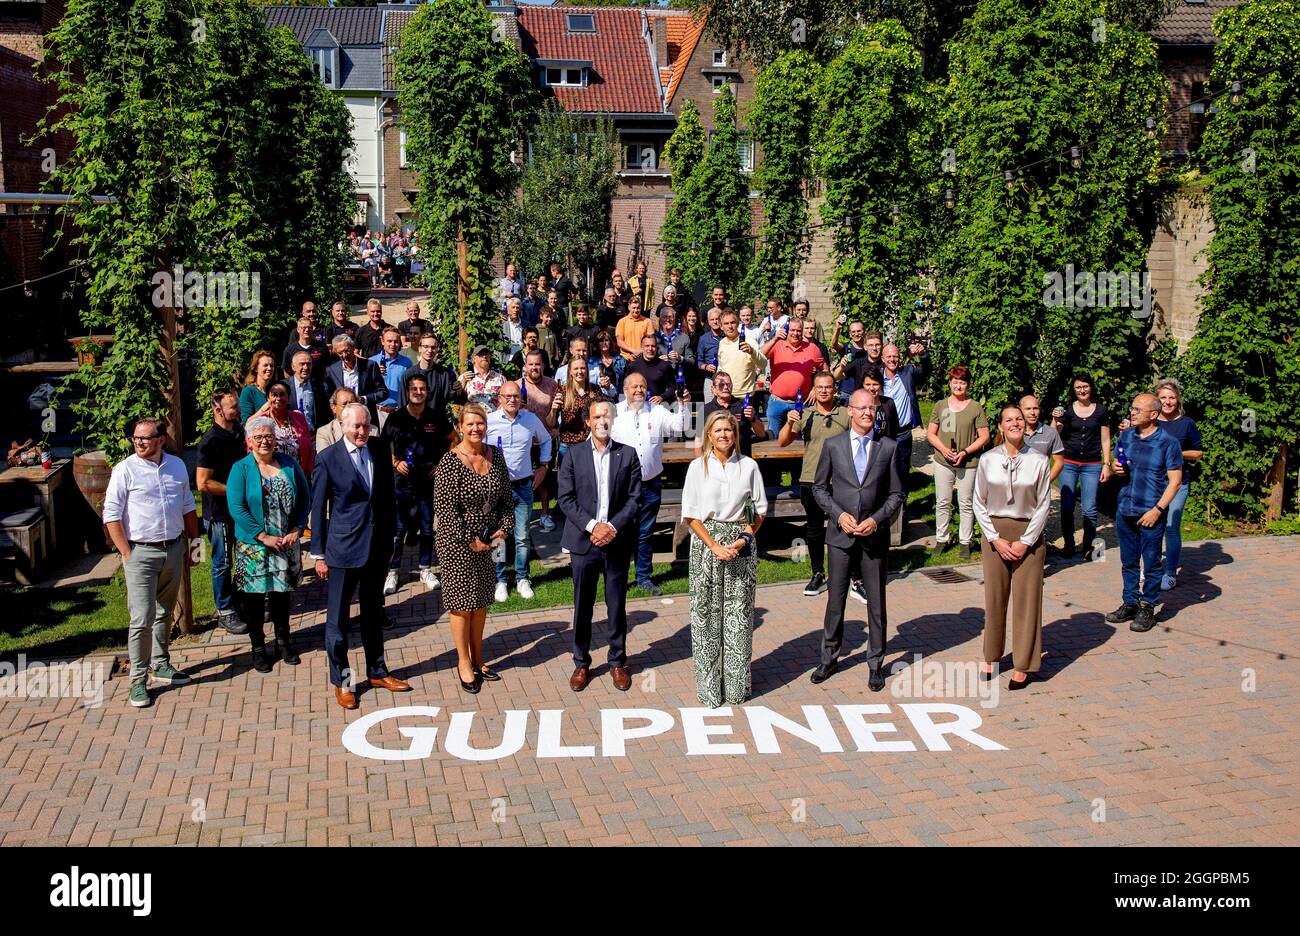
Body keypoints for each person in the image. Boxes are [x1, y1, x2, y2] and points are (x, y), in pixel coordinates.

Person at [309, 403, 413, 709]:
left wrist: (391, 537)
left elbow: (387, 497)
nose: (362, 432)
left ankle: (377, 670)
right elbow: (318, 509)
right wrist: (318, 553)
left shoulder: (379, 450)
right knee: (338, 621)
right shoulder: (327, 459)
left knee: (372, 614)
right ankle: (342, 682)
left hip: (377, 547)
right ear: (342, 425)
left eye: (366, 426)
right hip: (342, 550)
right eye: (356, 427)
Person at [102, 417, 200, 708]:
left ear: (161, 440)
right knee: (142, 617)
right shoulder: (125, 470)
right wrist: (127, 553)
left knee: (164, 612)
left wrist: (195, 548)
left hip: (173, 549)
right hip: (140, 553)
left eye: (145, 438)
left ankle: (161, 664)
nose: (139, 442)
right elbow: (111, 514)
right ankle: (137, 680)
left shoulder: (177, 466)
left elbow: (188, 507)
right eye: (136, 438)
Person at [811, 393, 902, 691]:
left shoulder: (888, 447)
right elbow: (820, 489)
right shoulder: (833, 445)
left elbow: (896, 495)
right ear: (850, 411)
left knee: (876, 604)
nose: (867, 412)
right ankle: (829, 658)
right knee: (835, 601)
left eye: (872, 408)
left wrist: (876, 520)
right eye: (862, 408)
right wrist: (838, 516)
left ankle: (876, 663)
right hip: (840, 536)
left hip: (873, 536)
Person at [682, 410, 767, 707]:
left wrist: (743, 539)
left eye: (728, 430)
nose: (723, 435)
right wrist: (715, 546)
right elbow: (691, 516)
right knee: (705, 616)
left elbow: (758, 512)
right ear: (708, 435)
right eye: (717, 430)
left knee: (739, 617)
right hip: (706, 543)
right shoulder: (697, 467)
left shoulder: (749, 467)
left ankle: (737, 687)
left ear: (735, 435)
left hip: (741, 544)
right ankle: (709, 689)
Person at [557, 399, 643, 692]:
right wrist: (594, 526)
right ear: (588, 422)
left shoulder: (628, 455)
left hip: (616, 542)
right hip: (584, 542)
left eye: (606, 415)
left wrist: (612, 527)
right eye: (596, 416)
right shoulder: (573, 455)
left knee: (616, 605)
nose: (602, 421)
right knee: (583, 606)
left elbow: (634, 499)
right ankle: (581, 663)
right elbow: (565, 499)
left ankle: (618, 661)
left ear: (613, 419)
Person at [435, 404, 515, 693]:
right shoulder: (450, 462)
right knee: (461, 606)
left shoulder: (497, 456)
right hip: (456, 543)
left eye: (480, 423)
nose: (475, 429)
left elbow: (507, 501)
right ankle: (463, 662)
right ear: (460, 427)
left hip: (489, 541)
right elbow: (445, 511)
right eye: (469, 424)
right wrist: (470, 539)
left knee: (481, 602)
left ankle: (479, 657)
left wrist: (504, 529)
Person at [973, 405, 1052, 690]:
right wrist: (994, 537)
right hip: (995, 534)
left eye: (1019, 418)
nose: (1015, 423)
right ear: (1000, 427)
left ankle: (1023, 664)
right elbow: (978, 502)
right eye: (1009, 420)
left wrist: (1026, 541)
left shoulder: (1039, 460)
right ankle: (991, 656)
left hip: (1028, 533)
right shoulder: (987, 459)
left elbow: (1044, 504)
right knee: (995, 598)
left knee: (1027, 600)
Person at [227, 417, 310, 673]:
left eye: (268, 436)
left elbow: (305, 498)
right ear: (249, 441)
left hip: (285, 543)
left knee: (281, 597)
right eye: (258, 437)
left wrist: (297, 528)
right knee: (253, 601)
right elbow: (237, 507)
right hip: (254, 547)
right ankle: (258, 647)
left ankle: (284, 642)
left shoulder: (289, 464)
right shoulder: (240, 469)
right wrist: (262, 535)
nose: (264, 441)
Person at [1105, 394, 1183, 633]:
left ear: (1154, 414)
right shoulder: (1126, 436)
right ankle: (1129, 602)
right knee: (1128, 561)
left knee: (1151, 563)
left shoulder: (1168, 442)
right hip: (1126, 507)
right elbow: (1117, 463)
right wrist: (1115, 467)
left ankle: (1147, 607)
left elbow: (1175, 482)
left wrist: (1158, 509)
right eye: (1132, 408)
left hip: (1151, 511)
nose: (1132, 412)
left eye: (1138, 409)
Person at [611, 371, 690, 594]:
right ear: (625, 390)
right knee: (622, 534)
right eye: (634, 387)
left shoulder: (657, 411)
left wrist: (682, 405)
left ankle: (644, 577)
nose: (638, 390)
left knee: (646, 533)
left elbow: (680, 427)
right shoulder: (614, 413)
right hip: (623, 486)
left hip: (651, 483)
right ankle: (619, 579)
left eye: (642, 386)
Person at [779, 371, 851, 598]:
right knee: (814, 528)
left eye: (828, 387)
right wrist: (790, 423)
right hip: (811, 478)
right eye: (819, 387)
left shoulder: (845, 414)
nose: (823, 391)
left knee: (842, 527)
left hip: (839, 480)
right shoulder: (805, 413)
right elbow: (783, 442)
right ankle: (818, 573)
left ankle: (847, 572)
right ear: (813, 389)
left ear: (834, 389)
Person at [381, 372, 450, 595]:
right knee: (398, 529)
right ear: (408, 392)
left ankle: (425, 568)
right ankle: (393, 570)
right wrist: (395, 462)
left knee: (428, 528)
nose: (418, 393)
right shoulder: (396, 418)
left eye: (422, 389)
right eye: (414, 389)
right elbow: (382, 446)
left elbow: (455, 440)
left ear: (427, 392)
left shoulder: (436, 417)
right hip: (402, 482)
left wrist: (441, 464)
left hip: (428, 483)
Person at [486, 382, 552, 600]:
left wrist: (543, 466)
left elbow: (546, 440)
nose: (512, 400)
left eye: (516, 396)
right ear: (499, 398)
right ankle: (500, 580)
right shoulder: (490, 420)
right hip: (497, 488)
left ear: (521, 398)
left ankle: (523, 578)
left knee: (522, 536)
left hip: (523, 486)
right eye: (507, 396)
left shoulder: (530, 420)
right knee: (498, 537)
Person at [196, 389, 248, 635]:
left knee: (243, 558)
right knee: (222, 562)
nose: (237, 411)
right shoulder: (210, 440)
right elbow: (203, 482)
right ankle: (225, 611)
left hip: (238, 511)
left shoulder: (238, 432)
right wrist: (235, 490)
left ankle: (239, 601)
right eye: (233, 407)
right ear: (218, 410)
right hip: (218, 514)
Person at [927, 366, 990, 559]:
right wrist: (943, 449)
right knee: (943, 501)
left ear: (968, 384)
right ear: (950, 383)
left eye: (962, 382)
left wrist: (965, 451)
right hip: (943, 461)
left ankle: (965, 541)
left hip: (967, 462)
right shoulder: (941, 405)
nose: (958, 385)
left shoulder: (975, 407)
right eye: (955, 381)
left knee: (965, 502)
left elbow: (984, 436)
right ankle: (942, 538)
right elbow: (931, 433)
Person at [1052, 372, 1111, 559]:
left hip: (1092, 464)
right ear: (1073, 389)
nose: (1082, 390)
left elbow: (1106, 439)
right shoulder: (1066, 410)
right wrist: (1055, 419)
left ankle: (1089, 546)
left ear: (1090, 387)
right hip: (1068, 462)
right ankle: (1069, 544)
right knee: (1067, 506)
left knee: (1090, 508)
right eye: (1078, 387)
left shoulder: (1101, 410)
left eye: (1085, 386)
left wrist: (1106, 464)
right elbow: (1055, 434)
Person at [1152, 378, 1202, 589]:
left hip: (1178, 484)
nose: (1168, 401)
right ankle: (1152, 569)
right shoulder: (1150, 421)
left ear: (1178, 399)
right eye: (1163, 397)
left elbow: (1198, 453)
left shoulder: (1187, 423)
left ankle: (1170, 573)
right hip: (1152, 483)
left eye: (1172, 397)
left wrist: (1177, 453)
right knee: (1151, 526)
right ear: (1157, 399)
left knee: (1171, 526)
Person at [519, 350, 562, 532]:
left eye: (538, 364)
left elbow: (558, 414)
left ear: (543, 366)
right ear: (525, 366)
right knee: (523, 480)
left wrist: (556, 429)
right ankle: (524, 517)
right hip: (524, 441)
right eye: (531, 364)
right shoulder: (517, 386)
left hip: (545, 440)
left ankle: (544, 514)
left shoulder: (552, 385)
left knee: (544, 480)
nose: (534, 367)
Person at [763, 317, 826, 437]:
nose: (795, 333)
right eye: (792, 330)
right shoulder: (777, 345)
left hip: (800, 403)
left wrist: (815, 389)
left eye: (798, 330)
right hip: (777, 402)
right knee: (774, 441)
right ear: (787, 330)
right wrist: (775, 338)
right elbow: (761, 354)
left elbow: (825, 370)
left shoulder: (812, 348)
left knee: (798, 442)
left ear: (802, 331)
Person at [694, 370, 767, 457]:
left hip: (741, 460)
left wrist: (753, 419)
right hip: (715, 462)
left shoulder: (744, 406)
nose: (726, 387)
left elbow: (761, 433)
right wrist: (700, 465)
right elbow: (698, 442)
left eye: (728, 385)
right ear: (713, 389)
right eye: (721, 385)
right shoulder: (705, 410)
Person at [257, 381, 314, 478]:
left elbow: (309, 447)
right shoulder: (260, 422)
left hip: (298, 475)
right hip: (272, 478)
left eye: (282, 394)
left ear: (288, 398)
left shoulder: (299, 418)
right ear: (268, 398)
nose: (278, 398)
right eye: (274, 395)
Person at [325, 334, 387, 423]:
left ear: (353, 347)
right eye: (340, 353)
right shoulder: (332, 370)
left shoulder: (370, 366)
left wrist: (364, 399)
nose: (344, 355)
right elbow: (330, 397)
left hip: (366, 419)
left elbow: (383, 392)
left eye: (347, 351)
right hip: (343, 421)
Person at [369, 327, 411, 423]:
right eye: (389, 341)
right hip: (377, 412)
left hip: (398, 412)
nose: (393, 345)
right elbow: (365, 389)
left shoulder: (406, 362)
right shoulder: (372, 362)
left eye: (396, 341)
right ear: (382, 341)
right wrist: (374, 374)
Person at [1019, 394, 1065, 481]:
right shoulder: (1013, 432)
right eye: (1028, 409)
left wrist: (1045, 483)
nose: (1032, 413)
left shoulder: (1050, 433)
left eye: (1035, 408)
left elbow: (1059, 462)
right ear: (1020, 410)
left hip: (1039, 488)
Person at [625, 334, 677, 403]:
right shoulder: (633, 366)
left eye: (653, 346)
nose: (650, 349)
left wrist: (662, 397)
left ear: (656, 347)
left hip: (657, 407)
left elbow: (673, 387)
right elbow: (626, 387)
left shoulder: (665, 366)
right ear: (642, 347)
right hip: (637, 405)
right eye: (647, 346)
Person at [285, 349, 327, 433]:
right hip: (292, 436)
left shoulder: (318, 386)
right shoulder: (285, 387)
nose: (306, 367)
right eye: (302, 364)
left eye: (308, 364)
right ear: (293, 367)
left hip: (314, 434)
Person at [281, 316, 329, 384]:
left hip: (318, 388)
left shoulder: (322, 347)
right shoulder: (290, 350)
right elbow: (286, 372)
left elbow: (327, 369)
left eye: (309, 327)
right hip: (298, 387)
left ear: (312, 329)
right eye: (304, 328)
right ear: (298, 329)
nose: (307, 330)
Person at [459, 344, 506, 410]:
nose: (484, 356)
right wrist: (462, 384)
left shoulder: (500, 378)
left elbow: (505, 400)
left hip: (494, 418)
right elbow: (458, 401)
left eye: (487, 354)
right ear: (474, 358)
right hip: (473, 418)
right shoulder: (464, 378)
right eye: (481, 354)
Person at [239, 350, 276, 424]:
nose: (269, 368)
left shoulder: (274, 390)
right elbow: (245, 423)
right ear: (256, 368)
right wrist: (264, 409)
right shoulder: (248, 391)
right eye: (265, 365)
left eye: (271, 366)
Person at [316, 387, 357, 452]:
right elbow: (325, 460)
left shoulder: (371, 431)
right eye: (344, 404)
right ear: (334, 408)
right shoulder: (324, 433)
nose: (349, 407)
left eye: (352, 403)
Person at [615, 296, 656, 361]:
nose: (636, 310)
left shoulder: (647, 321)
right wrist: (633, 351)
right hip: (626, 358)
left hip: (642, 358)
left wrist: (641, 351)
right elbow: (619, 342)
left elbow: (651, 340)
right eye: (633, 308)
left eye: (638, 308)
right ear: (629, 307)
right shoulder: (622, 322)